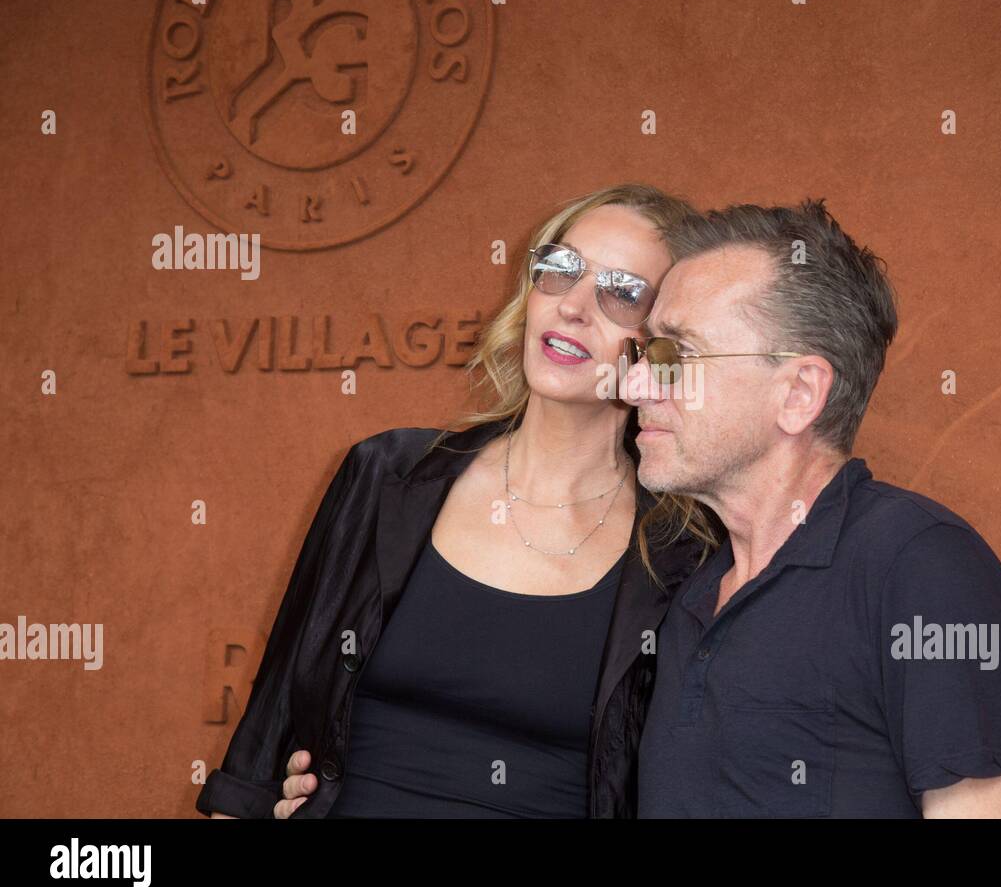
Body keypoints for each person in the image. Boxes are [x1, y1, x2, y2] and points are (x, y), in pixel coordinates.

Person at [195, 184, 719, 819]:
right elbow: (263, 739)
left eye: (621, 292)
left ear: (663, 347)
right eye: (560, 270)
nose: (573, 307)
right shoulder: (387, 476)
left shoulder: (687, 551)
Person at [621, 199, 1001, 817]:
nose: (634, 386)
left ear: (798, 393)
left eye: (675, 356)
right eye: (645, 354)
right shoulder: (693, 592)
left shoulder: (921, 565)